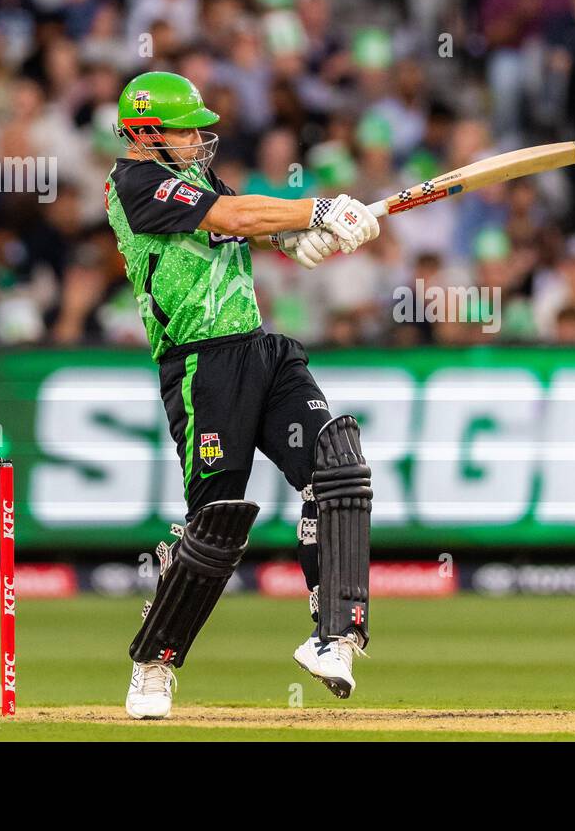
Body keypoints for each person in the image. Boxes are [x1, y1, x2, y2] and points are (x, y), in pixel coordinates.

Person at [105, 71, 380, 718]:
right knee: (217, 522)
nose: (201, 138)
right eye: (187, 128)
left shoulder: (197, 180)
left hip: (259, 348)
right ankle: (155, 663)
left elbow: (246, 226)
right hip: (200, 364)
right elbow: (232, 216)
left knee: (337, 467)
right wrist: (316, 209)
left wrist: (300, 239)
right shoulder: (134, 183)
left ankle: (335, 637)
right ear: (146, 132)